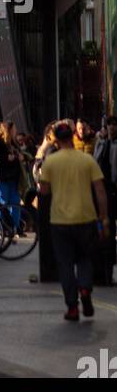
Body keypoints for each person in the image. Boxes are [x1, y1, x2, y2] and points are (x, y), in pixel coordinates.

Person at [38, 120, 109, 321]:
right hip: (86, 218)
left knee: (65, 263)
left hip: (59, 221)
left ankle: (72, 307)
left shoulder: (50, 162)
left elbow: (44, 191)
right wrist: (103, 217)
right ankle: (85, 289)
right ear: (71, 137)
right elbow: (100, 191)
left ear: (57, 140)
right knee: (86, 258)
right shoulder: (87, 160)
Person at [93, 116, 117, 285]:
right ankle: (106, 274)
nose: (111, 128)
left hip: (115, 188)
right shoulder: (101, 143)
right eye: (109, 125)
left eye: (114, 125)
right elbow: (96, 162)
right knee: (106, 230)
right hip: (104, 190)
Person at [0, 120, 23, 232]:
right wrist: (6, 158)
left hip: (13, 177)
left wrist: (20, 157)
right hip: (1, 176)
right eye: (14, 129)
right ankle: (2, 227)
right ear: (8, 130)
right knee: (3, 202)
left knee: (15, 202)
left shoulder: (13, 143)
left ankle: (15, 227)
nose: (16, 131)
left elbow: (19, 154)